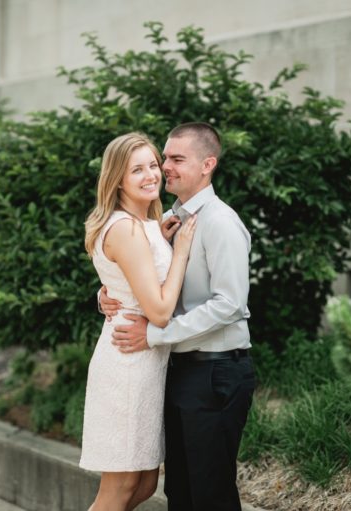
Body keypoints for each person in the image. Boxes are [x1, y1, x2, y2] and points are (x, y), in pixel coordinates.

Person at [100, 122, 255, 511]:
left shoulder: (219, 222)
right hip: (179, 370)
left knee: (210, 495)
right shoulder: (168, 220)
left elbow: (230, 304)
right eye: (163, 157)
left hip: (216, 372)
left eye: (175, 159)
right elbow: (140, 274)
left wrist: (153, 335)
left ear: (208, 164)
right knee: (181, 494)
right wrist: (107, 295)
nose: (164, 167)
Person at [80, 132, 198, 511]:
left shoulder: (142, 223)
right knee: (120, 486)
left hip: (146, 366)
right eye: (137, 170)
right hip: (128, 365)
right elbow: (160, 311)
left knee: (145, 483)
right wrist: (179, 252)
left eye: (152, 165)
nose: (151, 175)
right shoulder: (126, 228)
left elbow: (121, 278)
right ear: (117, 179)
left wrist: (160, 240)